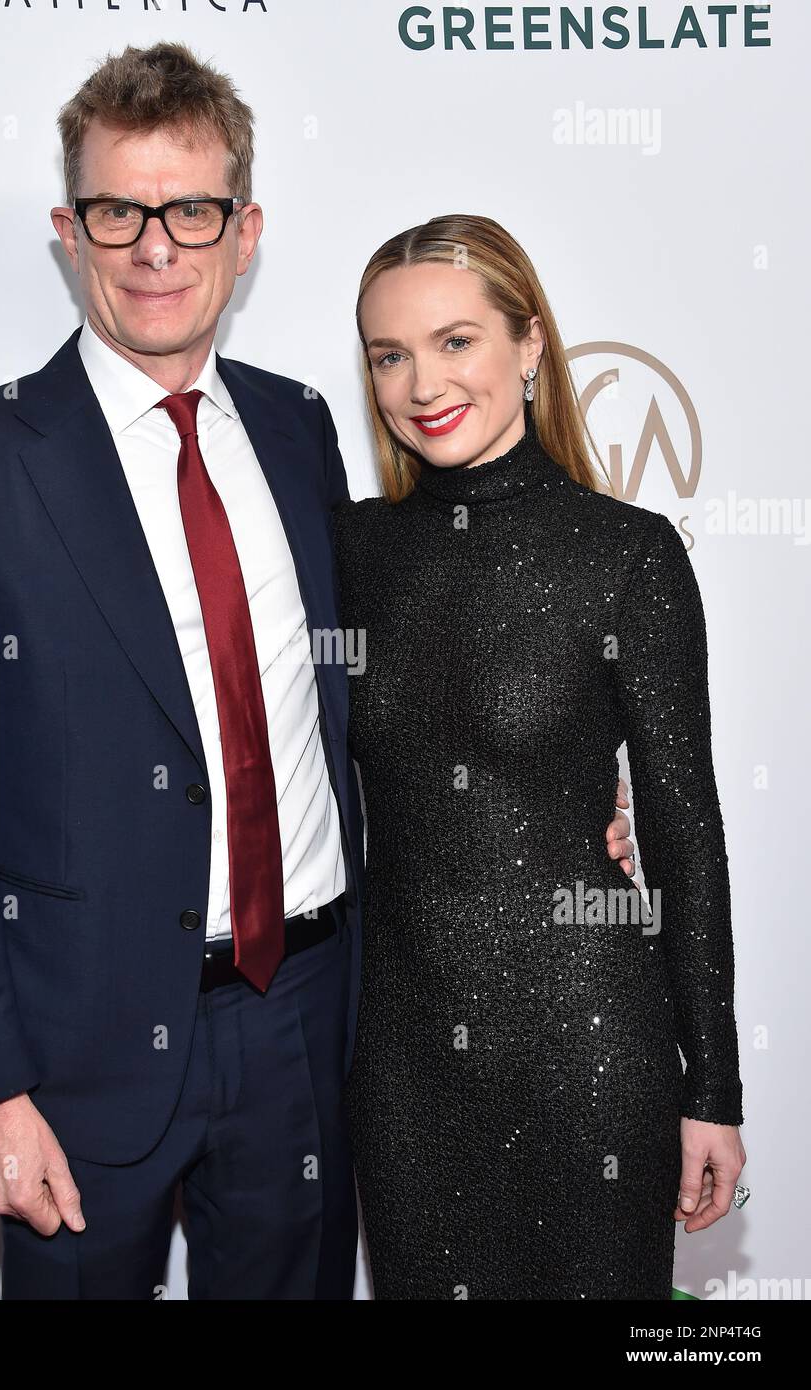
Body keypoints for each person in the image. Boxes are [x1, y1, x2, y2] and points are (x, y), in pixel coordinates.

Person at [0, 44, 635, 1300]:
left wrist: (562, 798)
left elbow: (382, 686)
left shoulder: (294, 426)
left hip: (307, 1019)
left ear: (244, 229)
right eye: (118, 210)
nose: (155, 247)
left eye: (191, 210)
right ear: (70, 229)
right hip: (73, 1053)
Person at [331, 214, 747, 1300]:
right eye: (388, 353)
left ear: (527, 344)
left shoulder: (626, 554)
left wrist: (712, 1086)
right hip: (405, 1058)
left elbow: (683, 835)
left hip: (588, 1048)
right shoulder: (347, 553)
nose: (421, 380)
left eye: (455, 340)